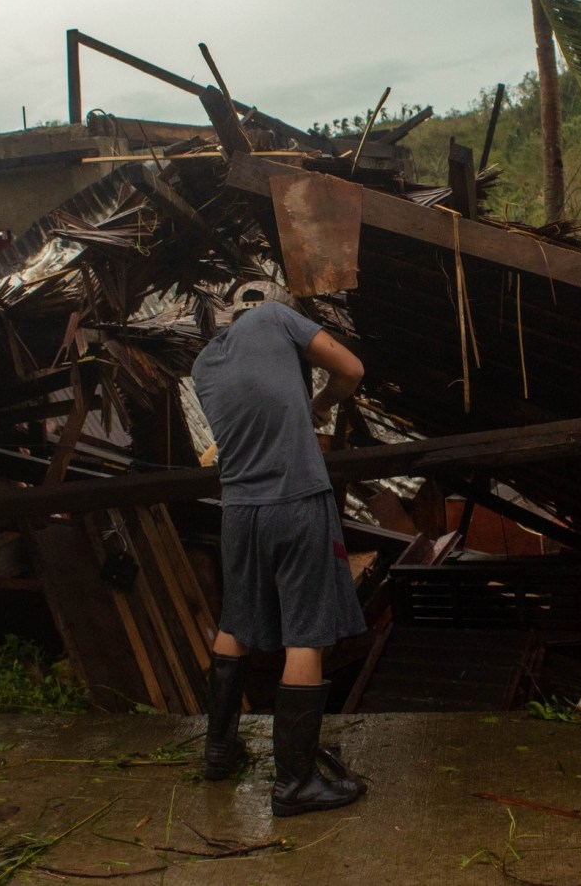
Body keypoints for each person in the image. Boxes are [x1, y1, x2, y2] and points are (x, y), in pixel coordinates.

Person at [191, 280, 368, 817]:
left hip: (239, 511)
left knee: (236, 624)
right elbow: (352, 370)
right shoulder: (275, 319)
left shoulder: (202, 365)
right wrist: (318, 403)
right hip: (295, 499)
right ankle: (295, 783)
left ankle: (219, 749)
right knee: (305, 633)